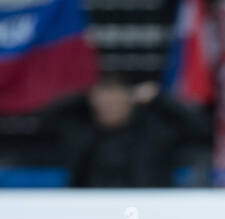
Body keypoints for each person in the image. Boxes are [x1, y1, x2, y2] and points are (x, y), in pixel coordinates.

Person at [44, 74, 211, 188]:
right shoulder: (80, 131)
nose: (110, 107)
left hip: (143, 210)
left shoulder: (154, 130)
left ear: (130, 101)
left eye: (115, 100)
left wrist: (160, 98)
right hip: (92, 210)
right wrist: (83, 96)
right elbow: (46, 119)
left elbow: (200, 128)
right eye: (103, 101)